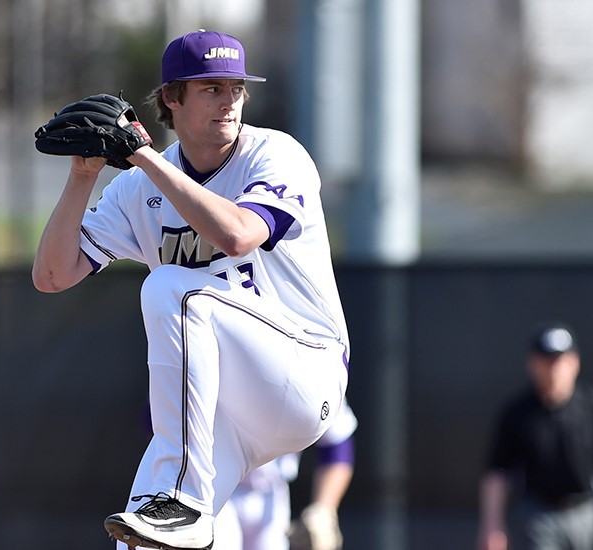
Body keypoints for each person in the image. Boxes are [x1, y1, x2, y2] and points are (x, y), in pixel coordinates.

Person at [32, 29, 350, 550]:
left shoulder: (275, 154)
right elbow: (52, 275)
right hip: (224, 414)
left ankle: (185, 502)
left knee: (174, 289)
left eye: (236, 88)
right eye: (212, 89)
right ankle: (180, 505)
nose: (230, 102)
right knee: (138, 537)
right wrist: (83, 176)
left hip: (303, 373)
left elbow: (237, 235)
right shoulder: (137, 188)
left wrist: (142, 156)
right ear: (172, 98)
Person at [477, 323, 593, 550]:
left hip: (587, 512)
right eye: (547, 360)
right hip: (539, 515)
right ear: (532, 364)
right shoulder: (518, 413)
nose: (554, 368)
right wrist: (492, 524)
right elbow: (497, 472)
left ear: (575, 362)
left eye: (561, 360)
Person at [214, 401, 357, 550]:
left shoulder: (320, 379)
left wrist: (323, 509)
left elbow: (338, 446)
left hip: (273, 491)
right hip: (220, 487)